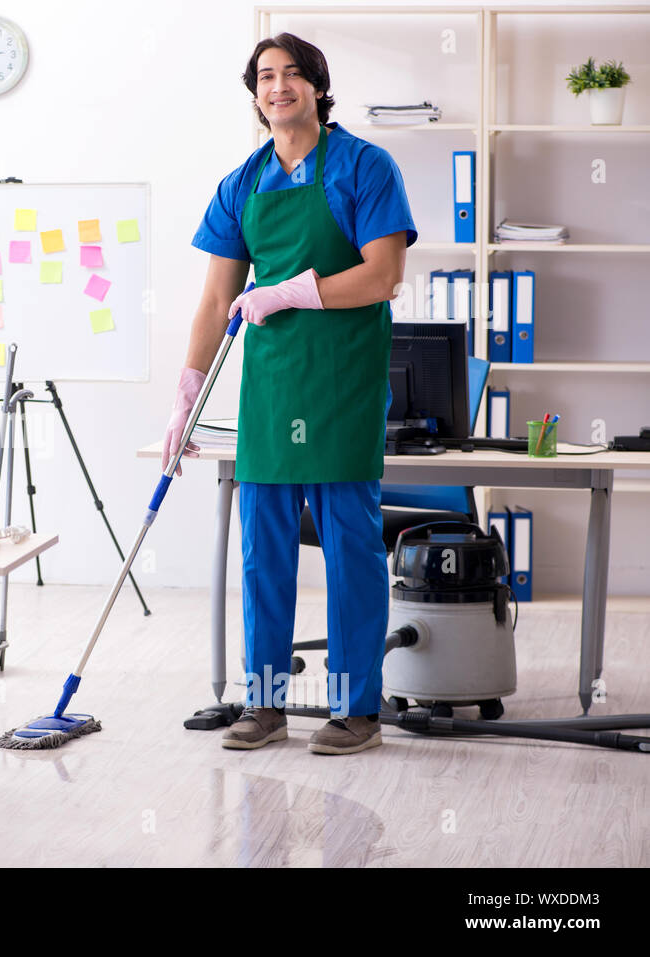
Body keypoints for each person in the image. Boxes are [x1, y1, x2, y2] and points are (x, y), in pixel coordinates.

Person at [163, 33, 416, 754]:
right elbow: (216, 302)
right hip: (270, 392)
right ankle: (266, 701)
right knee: (264, 555)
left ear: (317, 86)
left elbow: (382, 277)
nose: (278, 87)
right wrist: (185, 395)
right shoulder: (241, 183)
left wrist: (292, 291)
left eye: (293, 75)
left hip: (340, 382)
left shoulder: (367, 166)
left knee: (349, 550)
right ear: (256, 95)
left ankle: (355, 708)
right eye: (266, 77)